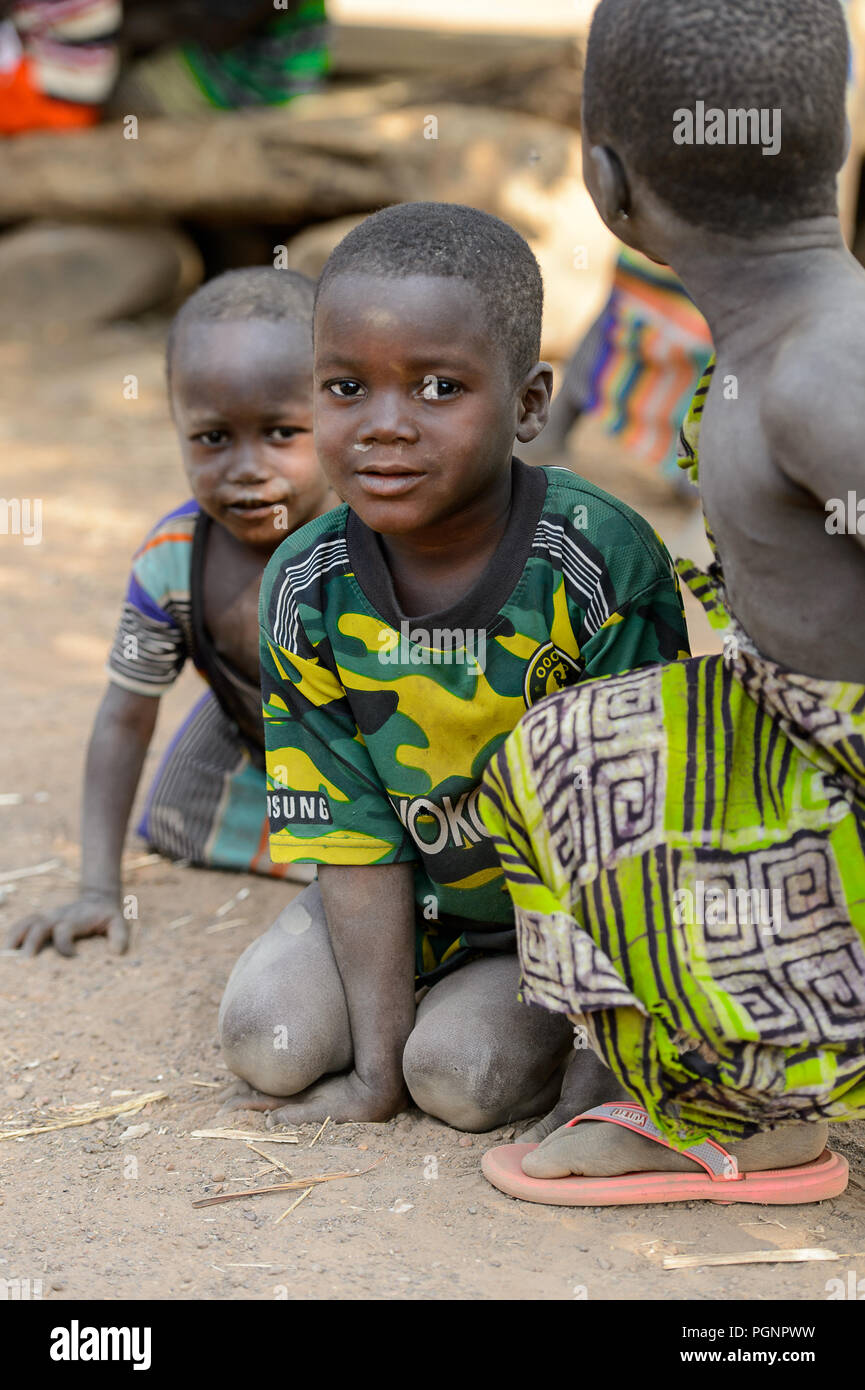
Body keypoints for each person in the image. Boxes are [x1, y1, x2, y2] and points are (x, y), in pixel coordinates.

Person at [479, 0, 863, 1206]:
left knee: (567, 771)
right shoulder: (792, 339)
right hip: (812, 739)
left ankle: (740, 1122)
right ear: (834, 140)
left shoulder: (817, 376)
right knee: (578, 742)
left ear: (603, 179)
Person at [217, 202, 691, 1131]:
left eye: (438, 387)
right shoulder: (306, 586)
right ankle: (406, 1021)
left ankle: (494, 1027)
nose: (384, 426)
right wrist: (372, 1080)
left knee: (460, 1079)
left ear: (527, 404)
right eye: (345, 388)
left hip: (548, 927)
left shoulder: (597, 563)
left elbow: (631, 840)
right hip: (400, 909)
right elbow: (353, 842)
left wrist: (606, 1081)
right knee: (268, 1042)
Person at [7, 267, 333, 958]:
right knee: (176, 817)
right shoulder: (172, 560)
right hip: (264, 747)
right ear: (176, 424)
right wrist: (99, 888)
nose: (246, 468)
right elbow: (125, 715)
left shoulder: (378, 543)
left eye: (281, 433)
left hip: (387, 762)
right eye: (212, 438)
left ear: (337, 414)